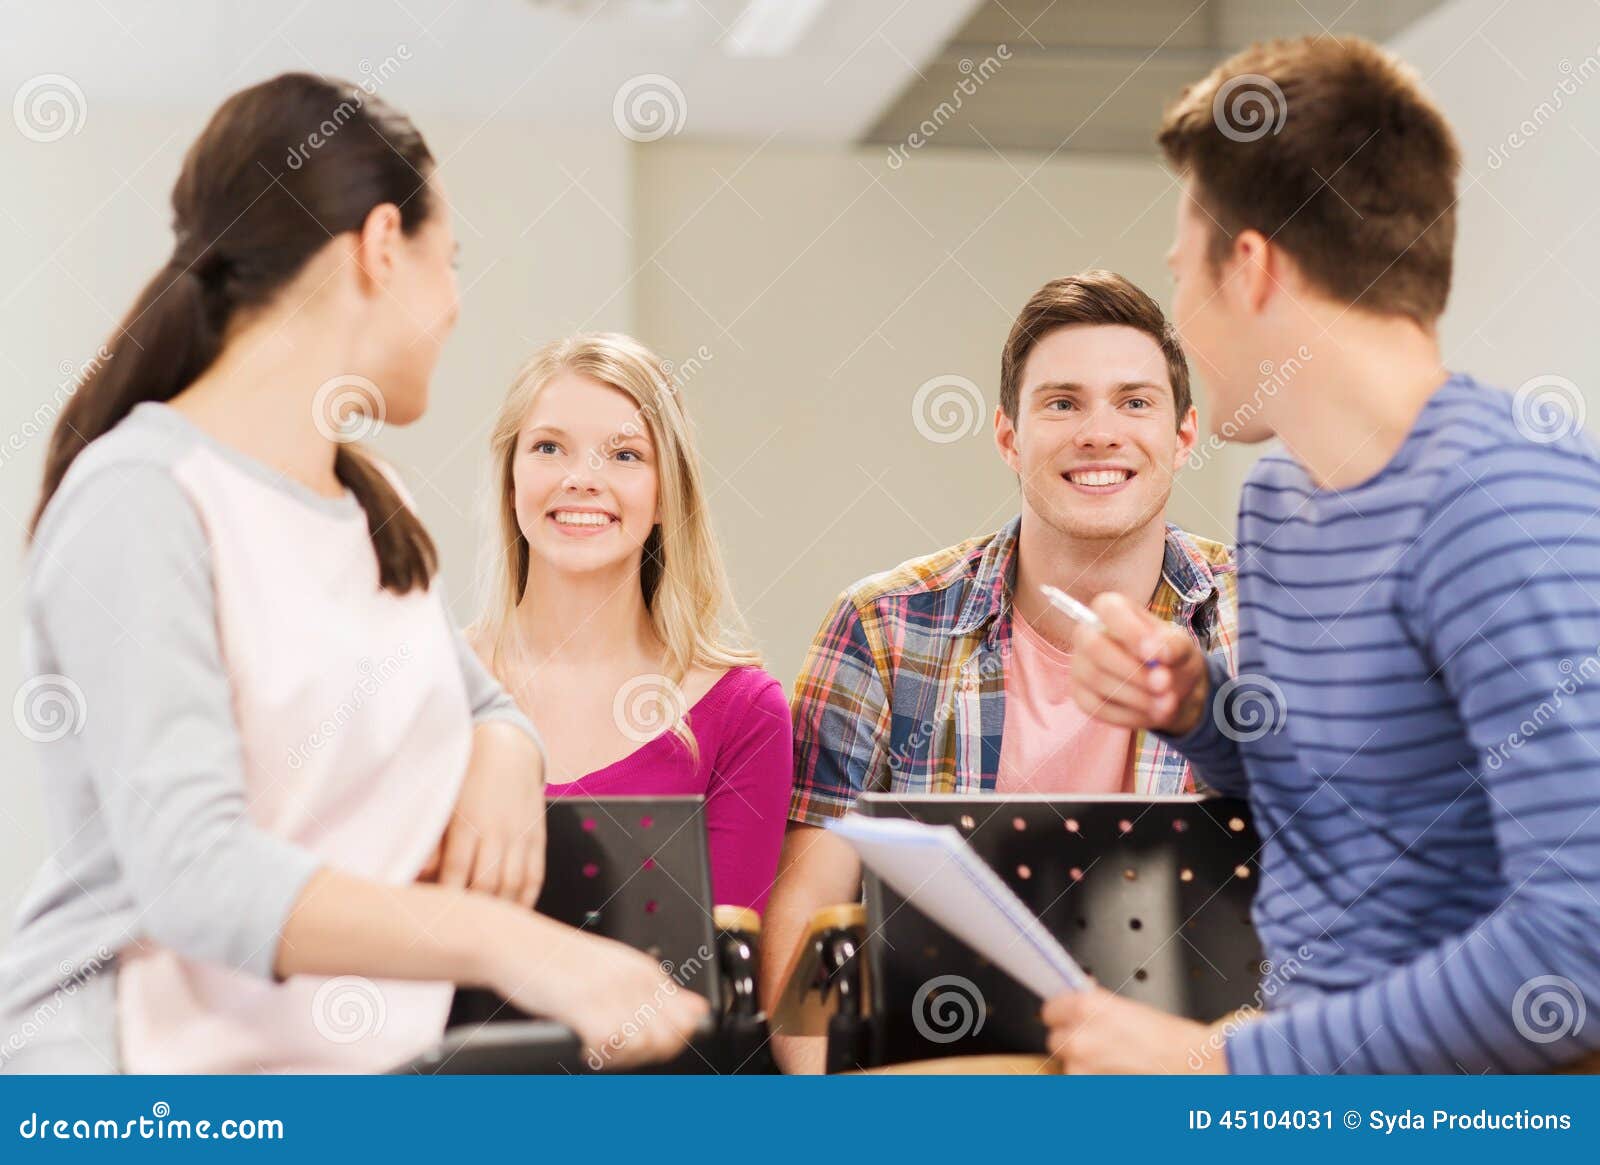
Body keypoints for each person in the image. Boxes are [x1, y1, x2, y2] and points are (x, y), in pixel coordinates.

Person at [0, 74, 702, 1074]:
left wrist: (507, 746)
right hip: (123, 1074)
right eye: (447, 262)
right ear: (381, 246)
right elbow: (194, 872)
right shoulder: (142, 499)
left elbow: (473, 696)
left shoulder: (376, 512)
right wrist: (511, 941)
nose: (455, 304)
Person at [1046, 36, 1600, 1074]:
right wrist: (1195, 703)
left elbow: (1580, 952)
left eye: (1182, 277)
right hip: (1294, 1054)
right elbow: (1345, 803)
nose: (1184, 327)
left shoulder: (1506, 501)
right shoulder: (1281, 503)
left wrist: (1223, 1072)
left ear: (1249, 267)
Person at [764, 270, 1238, 1072]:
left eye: (1134, 401)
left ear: (1185, 435)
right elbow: (811, 913)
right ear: (1008, 436)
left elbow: (1351, 916)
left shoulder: (1271, 622)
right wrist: (824, 1112)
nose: (1099, 432)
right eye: (1062, 402)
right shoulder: (882, 628)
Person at [472, 333, 791, 913]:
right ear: (511, 479)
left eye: (624, 455)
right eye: (548, 448)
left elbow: (717, 974)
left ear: (667, 494)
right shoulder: (427, 682)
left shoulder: (745, 713)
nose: (582, 479)